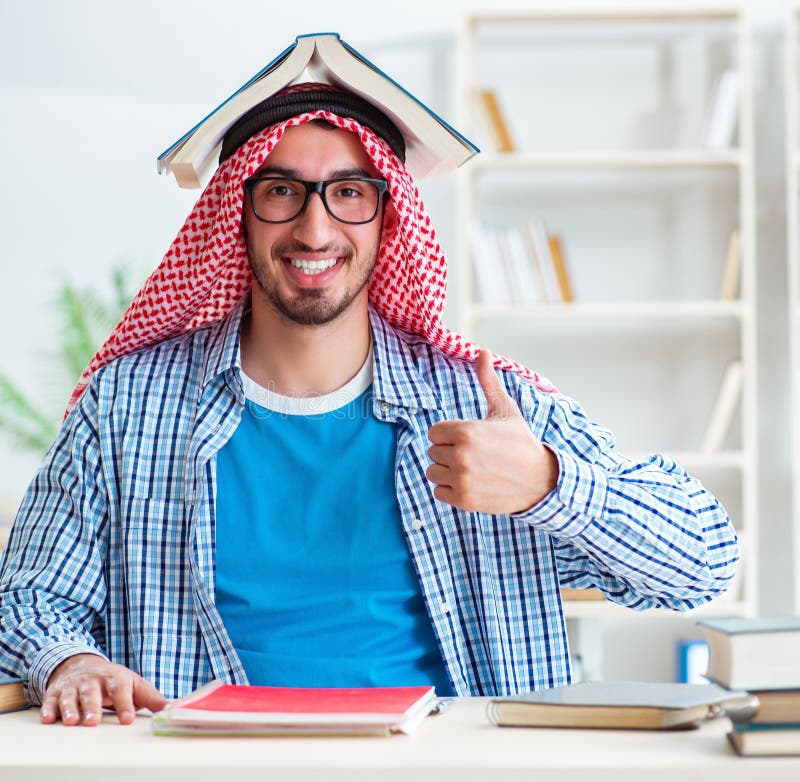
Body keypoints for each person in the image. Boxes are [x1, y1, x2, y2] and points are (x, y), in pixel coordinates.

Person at [0, 58, 739, 728]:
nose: (315, 229)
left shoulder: (484, 407)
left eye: (349, 192)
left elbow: (704, 562)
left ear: (389, 217)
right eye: (282, 191)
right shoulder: (127, 407)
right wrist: (69, 661)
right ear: (237, 211)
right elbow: (27, 599)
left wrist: (548, 483)